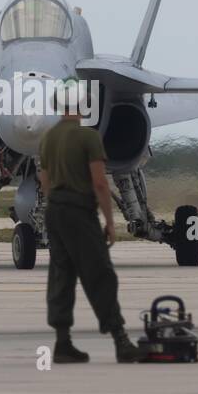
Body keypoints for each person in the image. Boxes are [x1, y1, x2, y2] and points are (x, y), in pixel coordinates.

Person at [37, 78, 143, 364]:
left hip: (55, 211)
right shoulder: (88, 137)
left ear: (58, 104)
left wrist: (56, 205)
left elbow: (44, 181)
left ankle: (62, 343)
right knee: (100, 274)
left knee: (61, 275)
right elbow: (99, 183)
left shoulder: (48, 138)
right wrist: (109, 221)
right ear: (83, 103)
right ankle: (121, 341)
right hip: (78, 212)